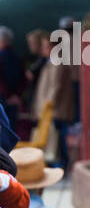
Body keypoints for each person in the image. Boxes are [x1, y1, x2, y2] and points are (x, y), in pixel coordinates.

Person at [32, 29, 74, 168]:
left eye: (46, 46)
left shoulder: (56, 62)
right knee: (56, 138)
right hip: (53, 109)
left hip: (56, 110)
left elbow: (55, 86)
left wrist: (47, 106)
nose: (43, 49)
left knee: (58, 138)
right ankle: (60, 162)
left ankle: (61, 164)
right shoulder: (50, 62)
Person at [0, 26, 25, 132]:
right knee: (11, 131)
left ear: (0, 41)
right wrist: (16, 96)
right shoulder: (17, 57)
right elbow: (23, 79)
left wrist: (7, 96)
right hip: (13, 102)